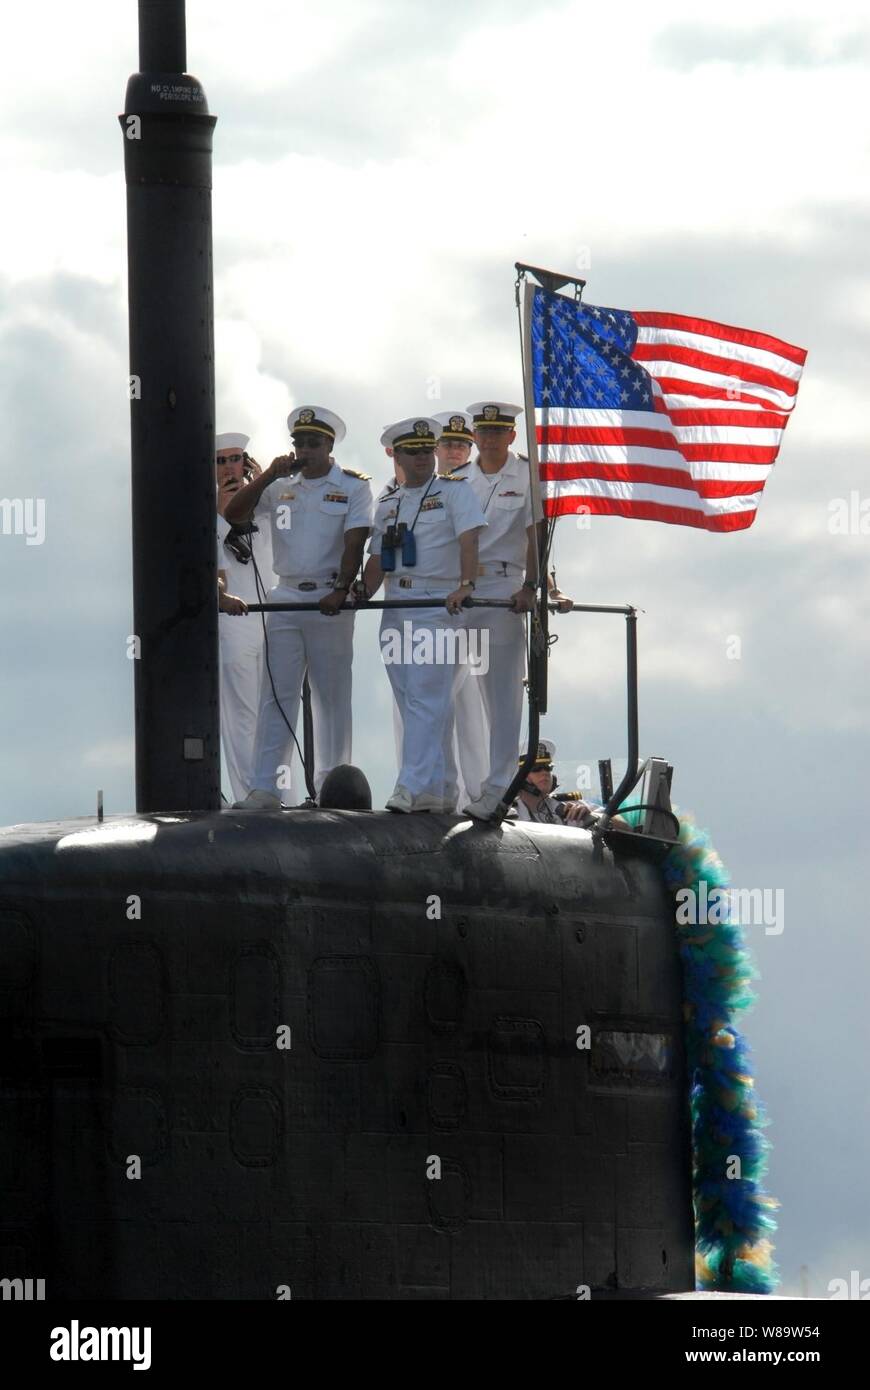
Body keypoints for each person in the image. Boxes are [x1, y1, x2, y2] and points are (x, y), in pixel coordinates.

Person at [224, 406, 372, 808]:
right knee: (277, 693)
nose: (305, 450)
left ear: (329, 445)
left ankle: (333, 786)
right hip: (286, 595)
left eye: (313, 443)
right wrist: (268, 475)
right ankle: (266, 787)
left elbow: (355, 541)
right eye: (299, 443)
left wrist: (341, 589)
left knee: (331, 696)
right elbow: (234, 514)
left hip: (328, 597)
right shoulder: (279, 487)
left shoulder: (353, 487)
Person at [361, 417, 486, 812]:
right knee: (411, 699)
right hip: (396, 604)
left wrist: (466, 584)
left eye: (425, 451)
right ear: (397, 456)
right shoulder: (388, 503)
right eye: (411, 452)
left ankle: (409, 786)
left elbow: (470, 538)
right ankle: (441, 786)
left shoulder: (454, 492)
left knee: (425, 700)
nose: (421, 459)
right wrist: (357, 594)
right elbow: (378, 559)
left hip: (437, 604)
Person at [449, 401, 546, 820]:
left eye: (498, 431)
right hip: (457, 588)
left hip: (504, 586)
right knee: (440, 693)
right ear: (475, 435)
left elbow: (535, 535)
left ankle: (498, 789)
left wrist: (531, 585)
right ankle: (441, 787)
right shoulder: (455, 480)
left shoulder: (527, 476)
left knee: (501, 696)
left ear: (511, 435)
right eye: (483, 431)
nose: (489, 438)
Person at [215, 432, 274, 805]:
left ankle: (276, 791)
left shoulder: (266, 508)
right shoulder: (208, 516)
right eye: (220, 461)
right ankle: (248, 792)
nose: (229, 468)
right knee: (242, 715)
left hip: (273, 618)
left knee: (275, 711)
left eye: (235, 459)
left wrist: (264, 480)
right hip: (234, 621)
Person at [511, 741, 632, 828]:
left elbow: (625, 827)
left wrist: (591, 816)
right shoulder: (509, 814)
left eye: (547, 767)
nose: (544, 773)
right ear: (519, 777)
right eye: (536, 768)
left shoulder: (570, 807)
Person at [433, 410, 474, 477]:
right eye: (448, 445)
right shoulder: (423, 486)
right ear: (435, 449)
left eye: (461, 446)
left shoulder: (480, 486)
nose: (455, 451)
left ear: (469, 452)